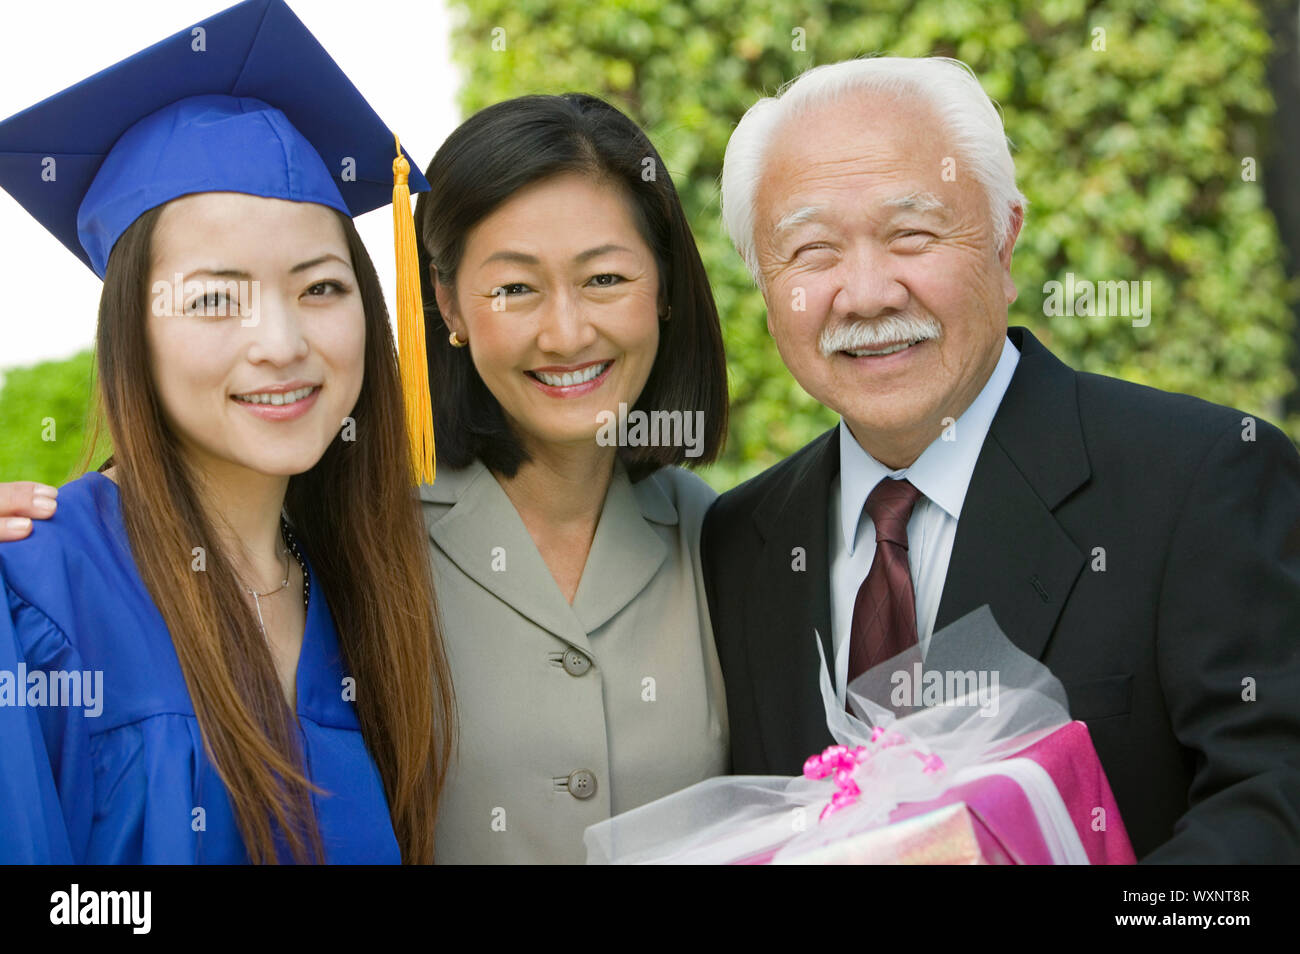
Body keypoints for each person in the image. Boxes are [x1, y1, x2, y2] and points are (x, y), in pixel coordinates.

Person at [702, 56, 1300, 863]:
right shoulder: (742, 541)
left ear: (1005, 236)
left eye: (911, 234)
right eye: (811, 251)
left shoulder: (1201, 479)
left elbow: (1273, 803)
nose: (868, 292)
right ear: (763, 282)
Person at [0, 0, 454, 863]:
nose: (282, 343)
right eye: (215, 298)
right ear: (130, 328)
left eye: (321, 288)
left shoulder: (366, 590)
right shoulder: (32, 595)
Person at [413, 93, 731, 863]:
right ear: (450, 303)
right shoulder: (360, 536)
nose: (566, 334)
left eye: (606, 279)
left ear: (663, 289)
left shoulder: (718, 539)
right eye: (515, 288)